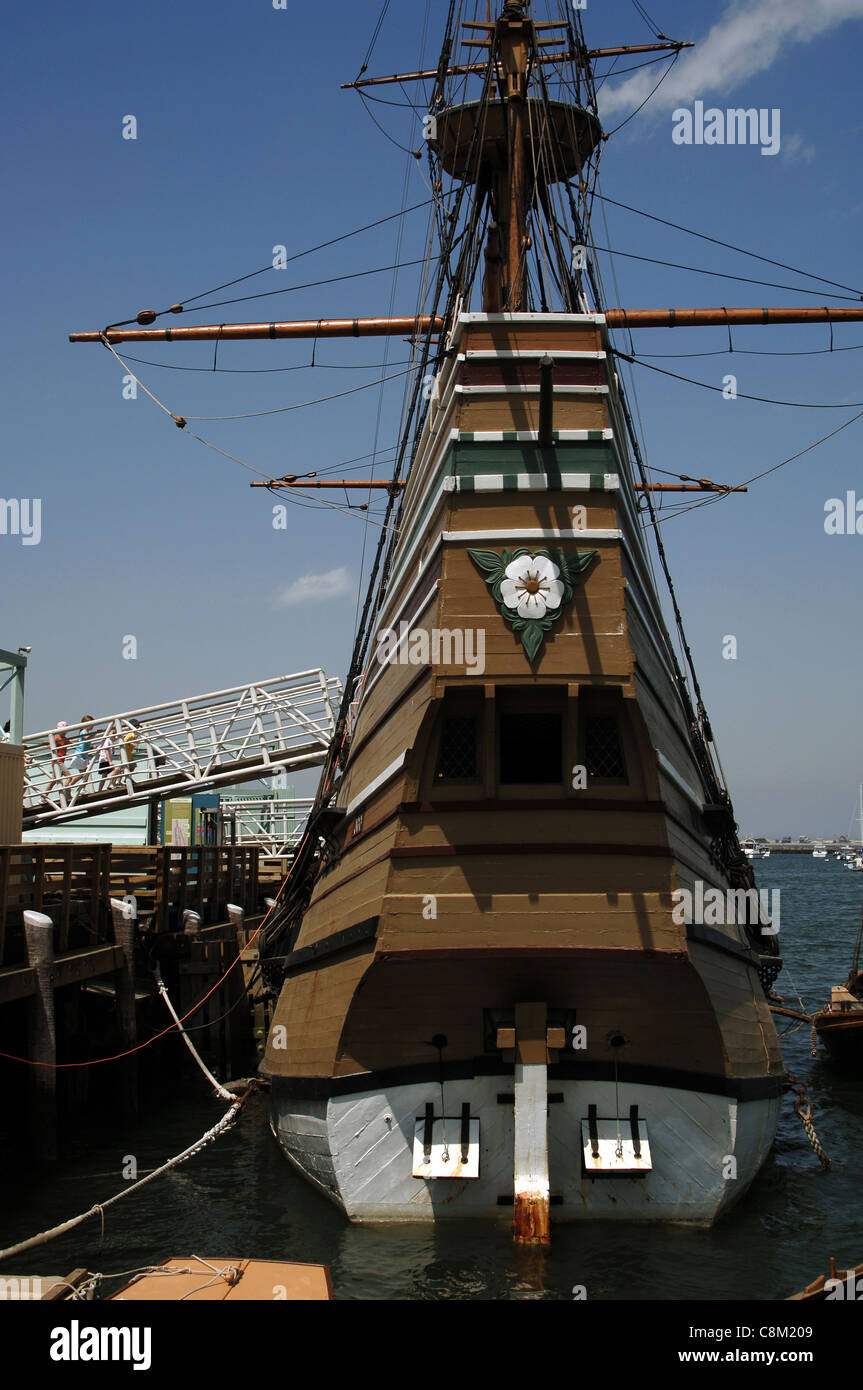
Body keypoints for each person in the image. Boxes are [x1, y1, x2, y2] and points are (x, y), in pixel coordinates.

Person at [68, 715, 95, 787]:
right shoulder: (83, 732)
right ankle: (70, 785)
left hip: (83, 756)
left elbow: (85, 744)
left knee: (86, 773)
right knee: (83, 774)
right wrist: (95, 733)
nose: (93, 726)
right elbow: (86, 738)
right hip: (79, 756)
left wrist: (92, 747)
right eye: (92, 724)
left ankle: (81, 788)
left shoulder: (86, 732)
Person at [45, 720, 69, 794]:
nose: (64, 732)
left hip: (59, 762)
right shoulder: (57, 738)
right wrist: (46, 743)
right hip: (58, 762)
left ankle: (43, 796)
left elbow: (74, 744)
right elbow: (51, 743)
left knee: (54, 781)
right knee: (69, 777)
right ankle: (65, 792)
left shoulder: (65, 739)